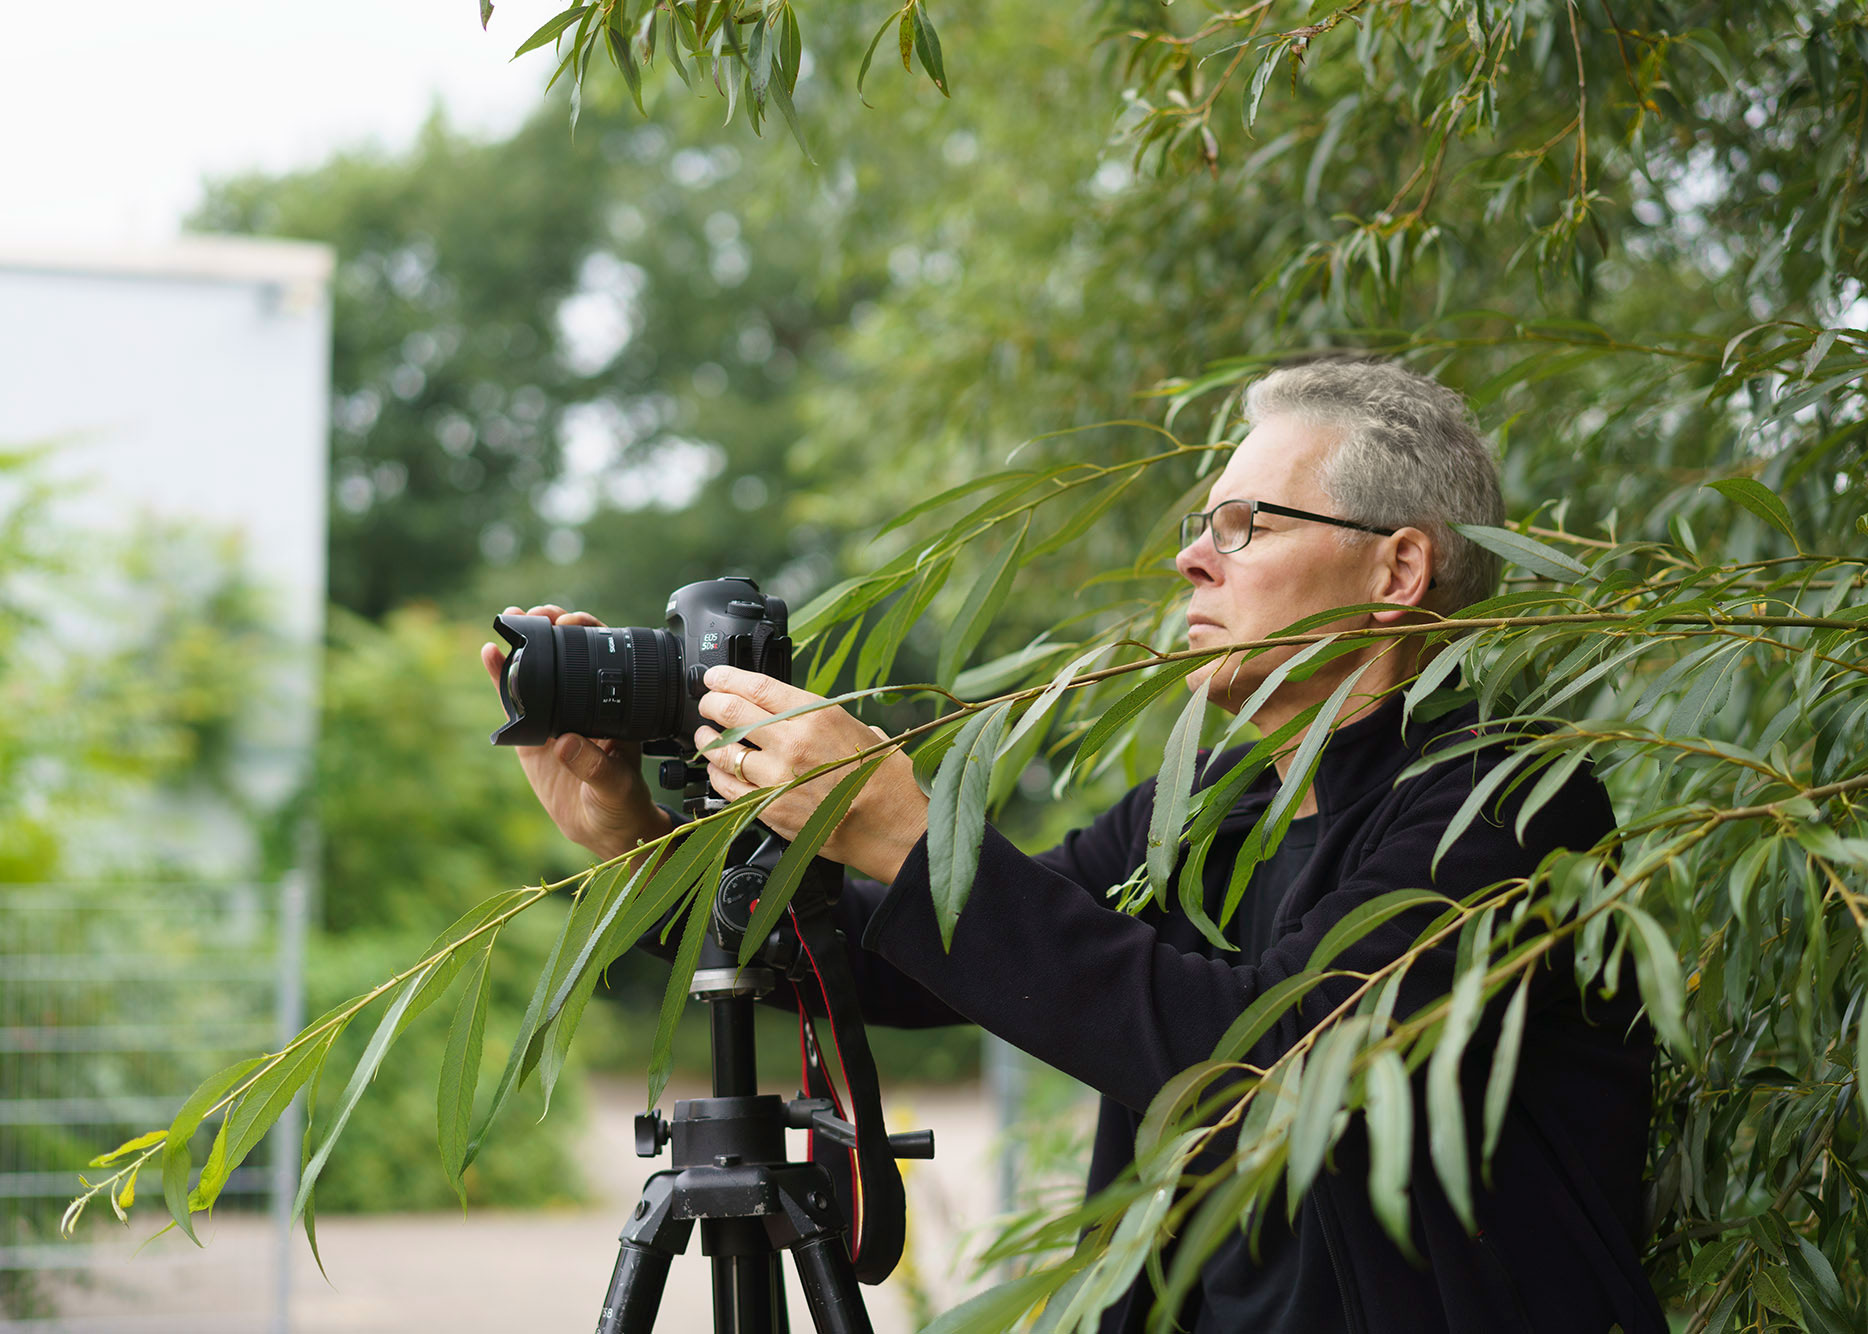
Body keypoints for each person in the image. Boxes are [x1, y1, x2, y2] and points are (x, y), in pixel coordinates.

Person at [483, 361, 1664, 1332]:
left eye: (1247, 524)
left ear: (1396, 567)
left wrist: (902, 823)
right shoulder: (1209, 807)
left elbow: (1268, 1057)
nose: (1191, 558)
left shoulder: (1507, 810)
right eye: (1202, 524)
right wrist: (630, 839)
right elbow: (892, 961)